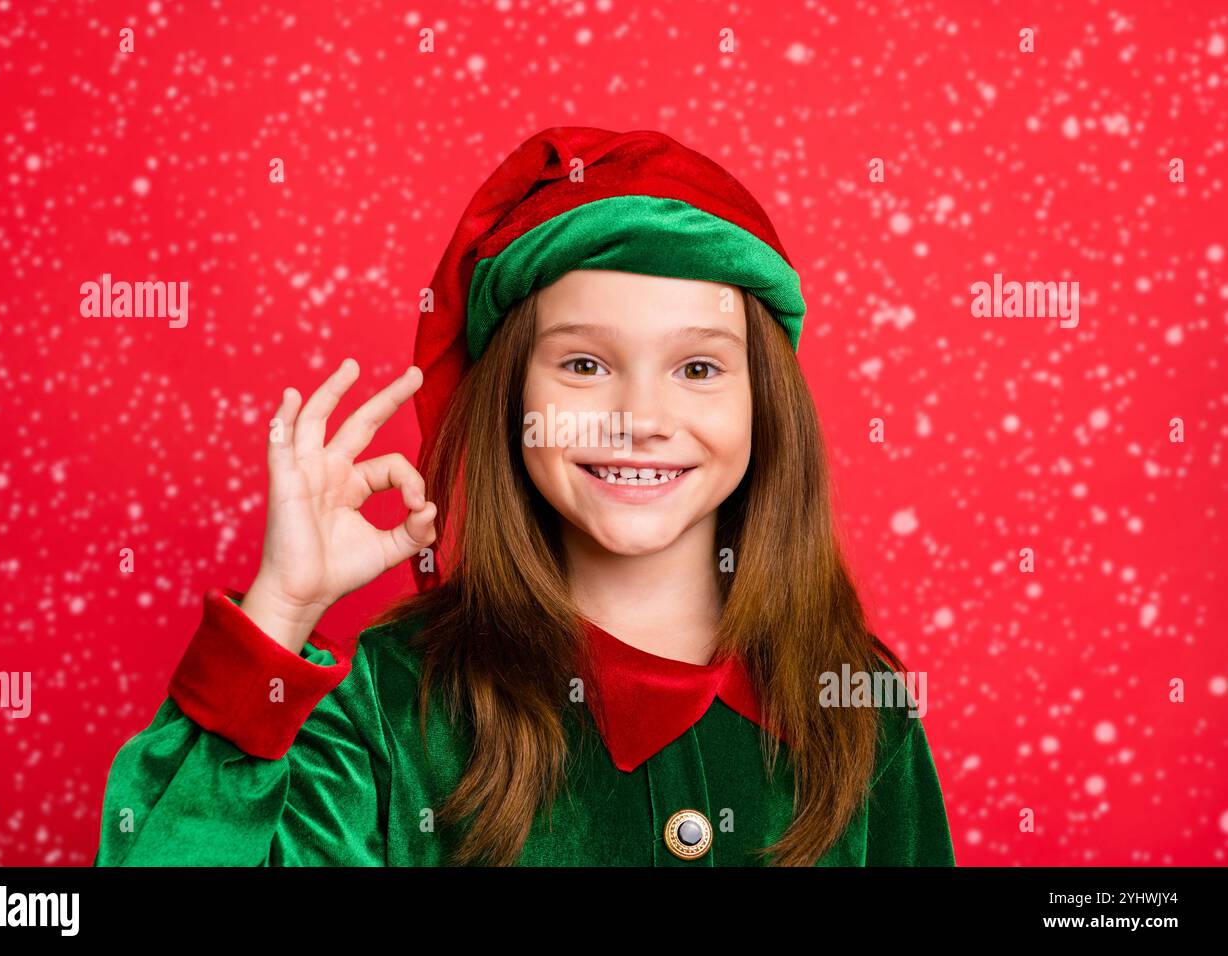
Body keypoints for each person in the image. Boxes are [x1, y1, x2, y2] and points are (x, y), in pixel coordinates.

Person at [93, 126, 956, 867]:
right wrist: (279, 613)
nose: (640, 419)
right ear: (511, 397)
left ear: (765, 404)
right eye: (584, 364)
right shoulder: (394, 709)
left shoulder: (859, 704)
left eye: (699, 368)